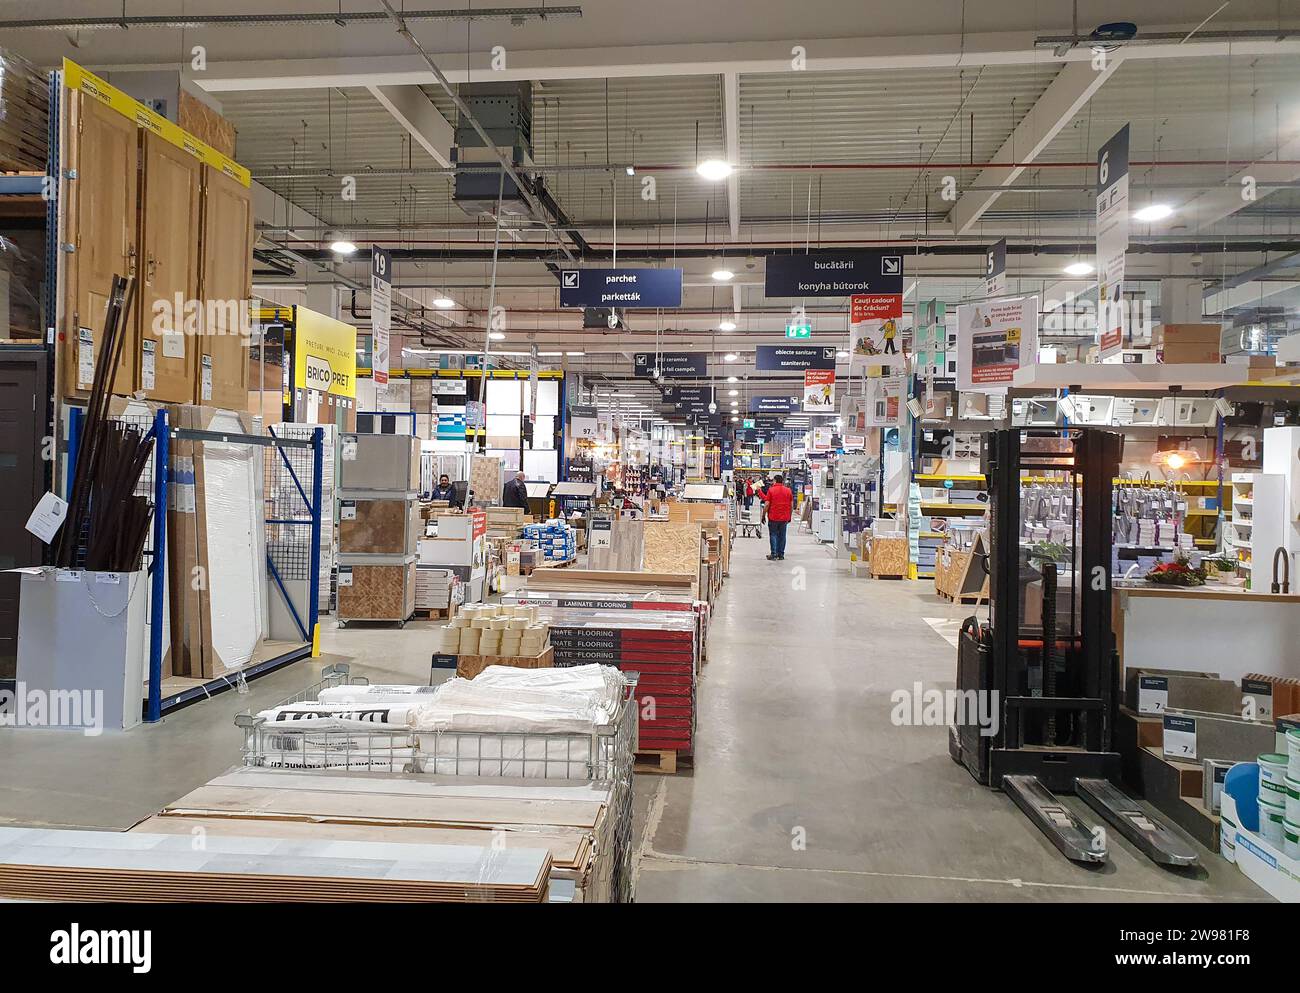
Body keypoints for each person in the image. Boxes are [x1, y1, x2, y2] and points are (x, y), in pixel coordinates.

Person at [759, 473, 794, 561]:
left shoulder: (771, 490)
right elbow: (791, 505)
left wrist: (763, 515)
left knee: (773, 534)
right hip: (784, 517)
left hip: (773, 517)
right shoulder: (788, 490)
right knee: (782, 536)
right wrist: (790, 516)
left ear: (775, 481)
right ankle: (781, 554)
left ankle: (774, 554)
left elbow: (767, 504)